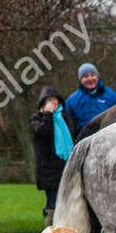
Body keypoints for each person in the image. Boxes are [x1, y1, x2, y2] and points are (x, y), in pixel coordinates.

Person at [30, 86, 70, 225]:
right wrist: (48, 115)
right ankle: (51, 231)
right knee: (52, 203)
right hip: (48, 171)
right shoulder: (37, 119)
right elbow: (42, 132)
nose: (52, 103)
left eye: (54, 100)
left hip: (65, 167)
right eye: (49, 101)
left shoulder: (66, 118)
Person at [63, 63, 116, 129]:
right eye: (86, 76)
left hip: (108, 133)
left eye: (92, 75)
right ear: (81, 80)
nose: (90, 79)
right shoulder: (71, 101)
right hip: (85, 137)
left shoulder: (111, 95)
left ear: (97, 77)